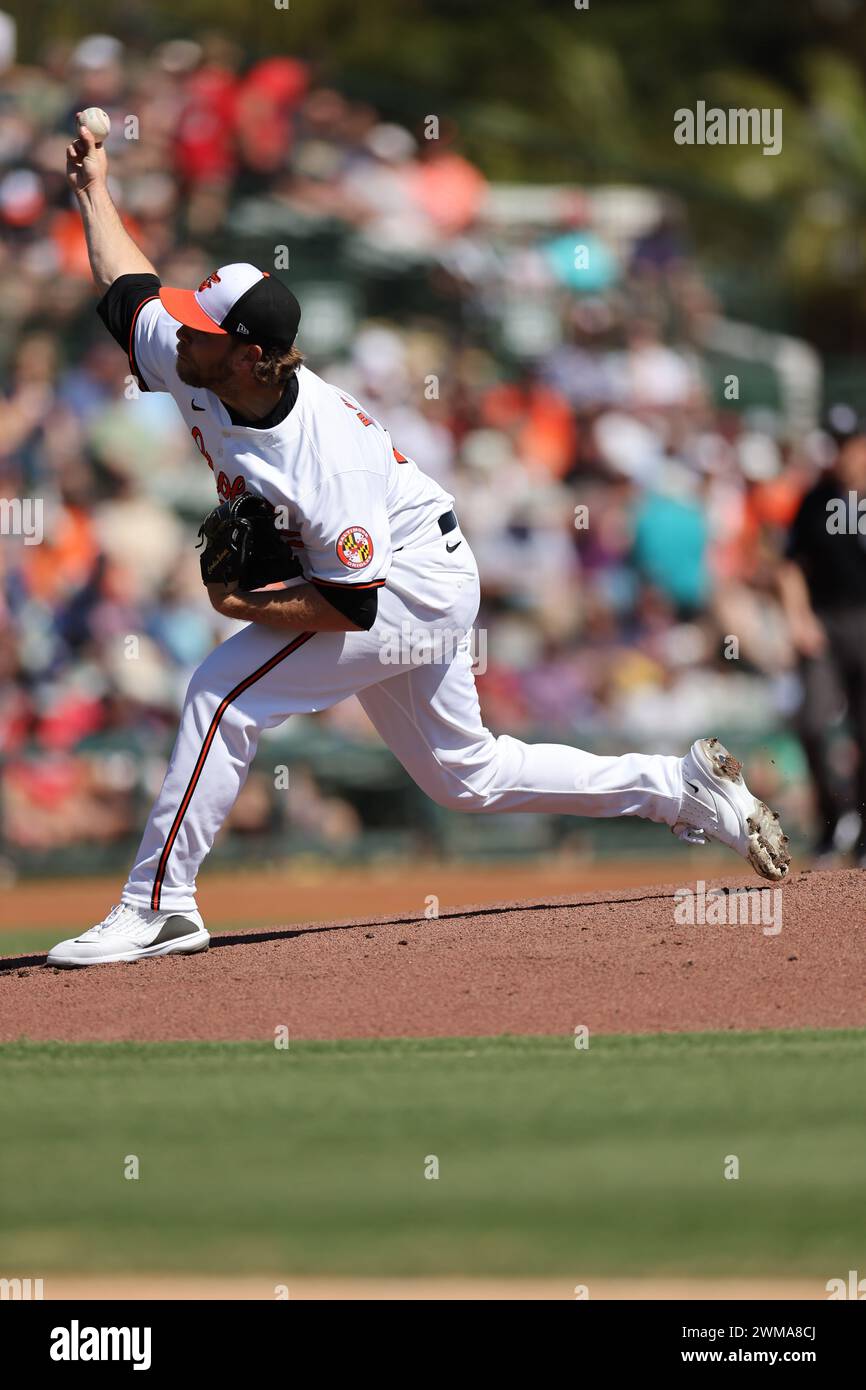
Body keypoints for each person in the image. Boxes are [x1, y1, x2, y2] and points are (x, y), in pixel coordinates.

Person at [47, 117, 790, 967]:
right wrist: (92, 186)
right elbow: (130, 291)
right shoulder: (195, 353)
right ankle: (681, 792)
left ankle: (159, 904)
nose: (180, 333)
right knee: (466, 778)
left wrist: (242, 601)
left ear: (251, 357)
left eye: (202, 329)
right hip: (402, 569)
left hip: (409, 585)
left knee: (222, 692)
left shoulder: (324, 459)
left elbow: (352, 607)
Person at [779, 415, 866, 864]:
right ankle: (835, 822)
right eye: (835, 442)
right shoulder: (815, 499)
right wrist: (798, 618)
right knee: (812, 721)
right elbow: (790, 563)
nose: (841, 452)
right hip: (825, 623)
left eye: (849, 442)